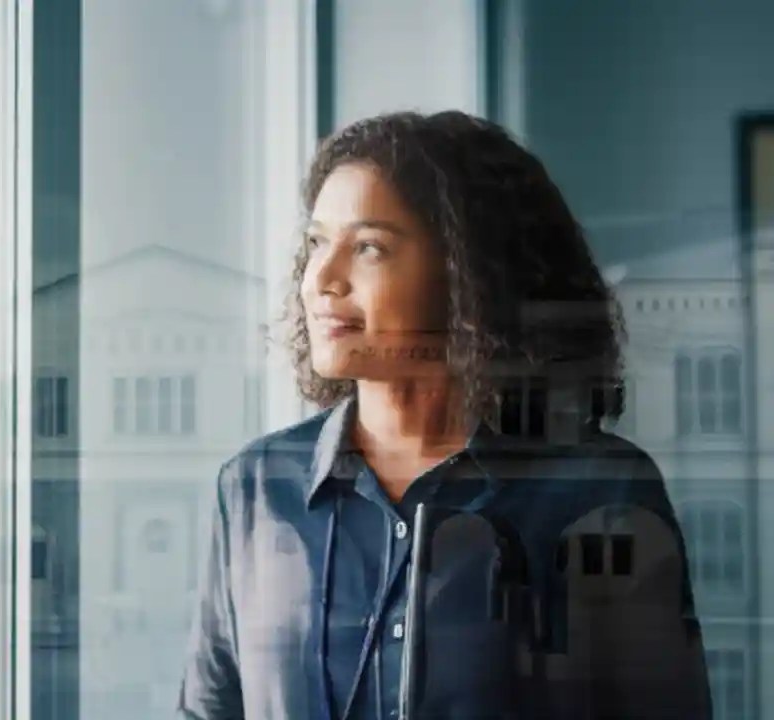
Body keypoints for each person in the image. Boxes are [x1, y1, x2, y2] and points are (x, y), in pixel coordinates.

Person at [177, 111, 710, 720]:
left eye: (369, 247)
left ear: (466, 276)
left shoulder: (596, 489)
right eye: (317, 242)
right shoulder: (256, 485)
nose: (321, 279)